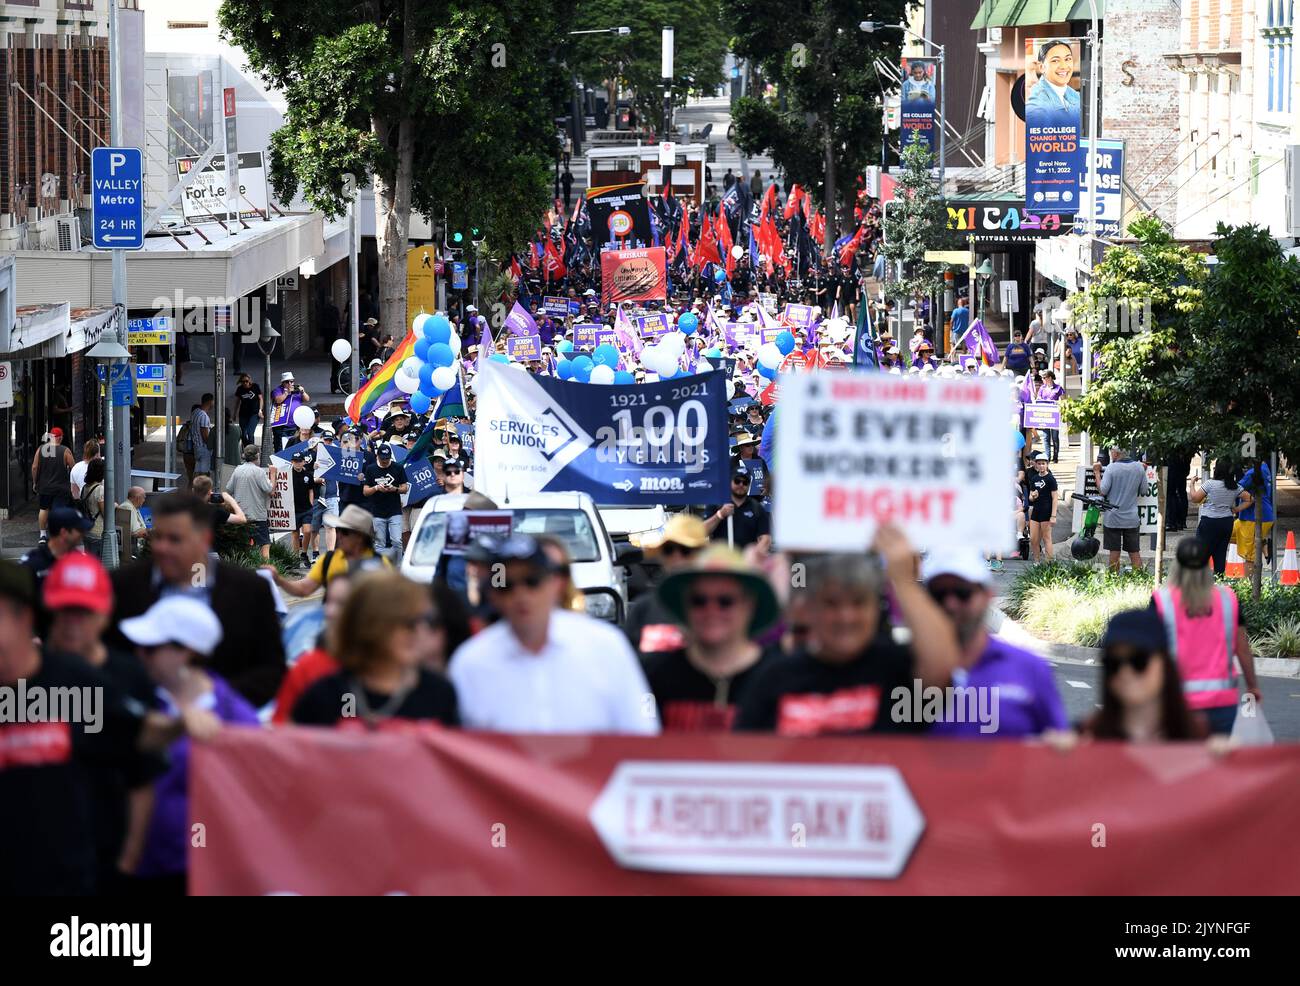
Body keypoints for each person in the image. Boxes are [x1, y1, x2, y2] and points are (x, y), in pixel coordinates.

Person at [0, 561, 160, 895]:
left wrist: (129, 860)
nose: (73, 624)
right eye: (64, 611)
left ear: (104, 613)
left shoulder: (129, 677)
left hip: (100, 863)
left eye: (84, 612)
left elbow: (145, 774)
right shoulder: (20, 678)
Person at [735, 525, 959, 735]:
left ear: (875, 607)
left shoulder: (898, 669)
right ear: (808, 609)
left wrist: (905, 582)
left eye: (858, 603)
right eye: (832, 603)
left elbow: (941, 668)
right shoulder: (774, 677)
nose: (846, 617)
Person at [448, 534, 659, 733]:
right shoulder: (470, 663)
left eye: (532, 582)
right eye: (508, 586)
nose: (521, 594)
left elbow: (639, 735)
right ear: (493, 595)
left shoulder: (606, 648)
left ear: (556, 584)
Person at [121, 596, 259, 894]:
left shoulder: (238, 717)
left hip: (212, 876)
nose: (140, 655)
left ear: (186, 652)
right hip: (136, 874)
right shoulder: (131, 701)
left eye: (150, 648)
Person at [108, 492, 286, 708]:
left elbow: (271, 670)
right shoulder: (123, 585)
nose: (162, 547)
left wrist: (215, 701)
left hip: (224, 729)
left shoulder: (250, 591)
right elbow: (106, 658)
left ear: (204, 540)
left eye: (174, 539)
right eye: (158, 537)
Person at [922, 549, 1067, 737]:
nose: (951, 604)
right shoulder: (903, 667)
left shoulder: (1029, 668)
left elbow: (1060, 745)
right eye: (939, 594)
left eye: (963, 593)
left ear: (988, 595)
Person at [292, 571, 459, 728]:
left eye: (427, 621)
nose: (419, 632)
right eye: (409, 624)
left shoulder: (440, 693)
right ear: (371, 626)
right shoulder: (325, 695)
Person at [646, 547, 783, 731]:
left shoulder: (780, 679)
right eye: (699, 601)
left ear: (749, 606)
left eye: (725, 601)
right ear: (685, 607)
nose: (711, 611)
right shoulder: (654, 675)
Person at [1151, 536, 1261, 735]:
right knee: (1216, 762)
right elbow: (1242, 648)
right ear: (1208, 564)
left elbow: (1150, 650)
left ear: (1176, 564)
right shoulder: (1227, 598)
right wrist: (1252, 686)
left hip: (1177, 702)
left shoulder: (1162, 600)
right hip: (1222, 702)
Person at [1076, 608, 1205, 741]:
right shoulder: (1087, 734)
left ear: (1165, 664)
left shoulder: (1198, 735)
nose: (1125, 672)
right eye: (1113, 663)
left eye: (1139, 660)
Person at [622, 513, 709, 658]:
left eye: (685, 550)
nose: (677, 557)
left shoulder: (720, 606)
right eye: (669, 550)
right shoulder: (644, 609)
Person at [265, 503, 388, 599]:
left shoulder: (380, 564)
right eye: (338, 530)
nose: (338, 535)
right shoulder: (329, 560)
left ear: (360, 537)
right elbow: (303, 588)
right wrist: (279, 580)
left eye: (344, 532)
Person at [1094, 447, 1147, 573]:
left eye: (1111, 451)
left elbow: (1103, 490)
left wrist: (1096, 472)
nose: (1110, 453)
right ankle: (1139, 580)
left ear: (1116, 454)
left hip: (1113, 518)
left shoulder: (1111, 468)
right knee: (1134, 552)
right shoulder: (1139, 468)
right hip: (1131, 518)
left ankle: (1114, 581)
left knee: (1114, 552)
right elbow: (1144, 491)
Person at [703, 462, 771, 552]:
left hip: (746, 562)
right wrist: (720, 515)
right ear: (730, 481)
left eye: (745, 482)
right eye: (737, 481)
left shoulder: (757, 508)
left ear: (749, 485)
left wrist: (755, 554)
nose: (741, 485)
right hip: (721, 560)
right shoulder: (717, 504)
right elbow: (702, 531)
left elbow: (765, 537)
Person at [226, 444, 278, 561]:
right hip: (257, 514)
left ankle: (245, 568)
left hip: (241, 514)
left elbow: (228, 489)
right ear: (257, 455)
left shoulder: (237, 470)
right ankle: (265, 568)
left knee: (244, 543)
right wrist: (273, 474)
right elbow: (270, 490)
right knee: (264, 543)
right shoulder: (258, 472)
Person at [1189, 459, 1238, 575]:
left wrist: (1191, 484)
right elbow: (1249, 499)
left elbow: (1195, 498)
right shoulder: (1234, 486)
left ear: (1217, 470)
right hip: (1226, 522)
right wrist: (1236, 509)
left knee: (1200, 553)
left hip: (1209, 522)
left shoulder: (1210, 484)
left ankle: (1199, 581)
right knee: (1221, 552)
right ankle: (1219, 580)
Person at [362, 442, 408, 563]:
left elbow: (405, 488)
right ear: (377, 456)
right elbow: (365, 491)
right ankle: (381, 568)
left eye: (387, 459)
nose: (385, 461)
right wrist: (376, 488)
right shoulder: (371, 469)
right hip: (377, 511)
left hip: (395, 510)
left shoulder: (398, 467)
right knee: (379, 543)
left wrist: (395, 489)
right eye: (383, 459)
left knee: (397, 540)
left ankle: (398, 568)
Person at [20, 506, 91, 583]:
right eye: (79, 530)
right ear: (64, 532)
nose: (83, 534)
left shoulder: (82, 562)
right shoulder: (32, 563)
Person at [31, 427, 75, 541]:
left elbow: (35, 467)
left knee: (43, 509)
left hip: (44, 487)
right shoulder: (65, 450)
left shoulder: (41, 449)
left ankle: (42, 535)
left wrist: (35, 482)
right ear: (60, 438)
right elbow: (73, 468)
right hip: (61, 488)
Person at [1233, 458, 1275, 579]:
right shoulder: (1266, 468)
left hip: (1254, 518)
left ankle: (1249, 587)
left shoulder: (1253, 472)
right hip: (1253, 516)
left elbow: (1236, 488)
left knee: (1249, 556)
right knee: (1224, 533)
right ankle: (1263, 543)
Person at [1027, 39, 1080, 122]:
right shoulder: (1038, 102)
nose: (1063, 66)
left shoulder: (1075, 96)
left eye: (1067, 59)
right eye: (1055, 60)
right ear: (1042, 67)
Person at [1025, 452, 1058, 561]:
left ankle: (1049, 564)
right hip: (1036, 510)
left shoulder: (1051, 479)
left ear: (1047, 464)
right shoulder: (1034, 478)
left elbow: (1055, 498)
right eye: (1039, 464)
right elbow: (1030, 497)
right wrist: (1033, 496)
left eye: (1043, 463)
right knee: (1033, 539)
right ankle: (1037, 562)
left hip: (1047, 511)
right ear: (1035, 464)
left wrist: (1053, 516)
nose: (1041, 466)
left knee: (1046, 538)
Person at [269, 371, 310, 449]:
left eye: (291, 381)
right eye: (287, 382)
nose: (290, 384)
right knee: (280, 446)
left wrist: (303, 392)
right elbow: (278, 400)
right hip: (281, 424)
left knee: (294, 445)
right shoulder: (278, 390)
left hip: (295, 424)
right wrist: (286, 393)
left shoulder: (296, 390)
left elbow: (307, 399)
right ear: (283, 383)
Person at [289, 450, 316, 567]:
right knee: (295, 534)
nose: (298, 463)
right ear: (292, 462)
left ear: (304, 462)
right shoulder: (287, 474)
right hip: (293, 509)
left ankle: (304, 553)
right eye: (295, 461)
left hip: (306, 509)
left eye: (300, 461)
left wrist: (311, 503)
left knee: (307, 531)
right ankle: (295, 558)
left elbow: (311, 489)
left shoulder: (308, 475)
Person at [79, 458, 108, 560]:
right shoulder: (100, 489)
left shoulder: (84, 488)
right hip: (98, 532)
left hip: (86, 531)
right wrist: (114, 505)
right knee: (98, 563)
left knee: (89, 561)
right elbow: (105, 513)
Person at [1035, 370, 1064, 461]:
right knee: (1046, 437)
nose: (1043, 379)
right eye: (1042, 378)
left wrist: (1058, 405)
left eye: (1044, 377)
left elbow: (1063, 401)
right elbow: (1038, 399)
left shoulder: (1058, 388)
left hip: (1054, 415)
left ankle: (1056, 456)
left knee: (1055, 437)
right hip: (1045, 415)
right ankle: (1047, 456)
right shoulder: (1042, 388)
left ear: (1050, 378)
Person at [233, 373, 263, 448]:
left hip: (254, 413)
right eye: (243, 382)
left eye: (246, 381)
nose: (245, 383)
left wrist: (260, 410)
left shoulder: (255, 387)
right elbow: (237, 402)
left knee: (250, 433)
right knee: (243, 433)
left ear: (249, 380)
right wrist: (234, 413)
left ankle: (252, 450)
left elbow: (261, 399)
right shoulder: (240, 389)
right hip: (243, 413)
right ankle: (246, 449)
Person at [190, 393, 215, 477]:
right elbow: (205, 436)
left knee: (197, 472)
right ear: (210, 402)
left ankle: (196, 488)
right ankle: (203, 489)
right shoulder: (204, 416)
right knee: (204, 474)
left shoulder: (195, 412)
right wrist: (211, 444)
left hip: (196, 447)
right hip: (203, 448)